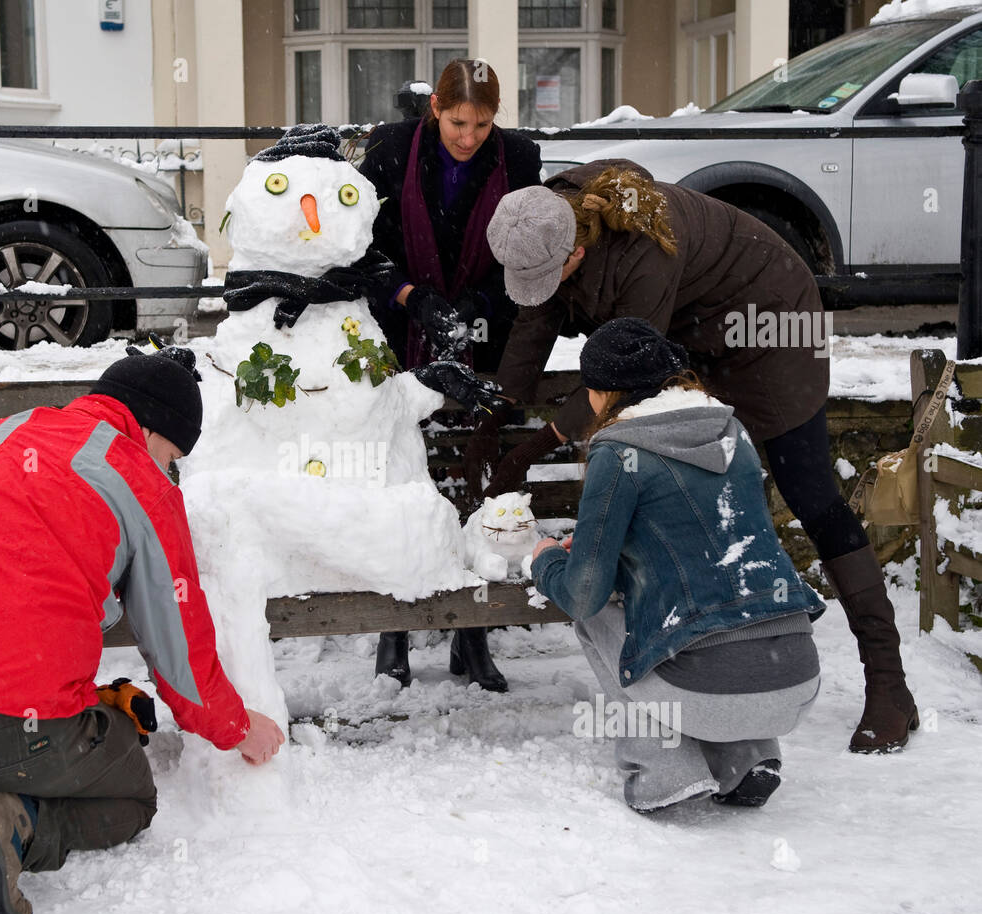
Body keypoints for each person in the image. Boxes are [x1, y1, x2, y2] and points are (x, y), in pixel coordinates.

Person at [479, 161, 918, 753]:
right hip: (692, 330)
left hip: (769, 323)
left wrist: (536, 445)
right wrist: (497, 413)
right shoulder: (546, 218)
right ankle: (714, 657)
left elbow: (623, 376)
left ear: (576, 250)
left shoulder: (641, 255)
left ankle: (889, 686)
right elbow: (537, 318)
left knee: (809, 491)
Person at [0, 346, 286, 914]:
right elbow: (178, 644)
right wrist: (235, 726)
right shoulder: (142, 482)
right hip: (18, 733)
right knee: (132, 798)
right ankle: (12, 824)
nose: (167, 470)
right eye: (170, 456)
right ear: (150, 429)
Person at [530, 318, 826, 813]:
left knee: (593, 615)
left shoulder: (619, 449)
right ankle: (749, 756)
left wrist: (546, 562)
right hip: (796, 678)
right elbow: (713, 539)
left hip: (708, 692)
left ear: (604, 393)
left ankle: (664, 771)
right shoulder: (731, 430)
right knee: (717, 611)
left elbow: (585, 592)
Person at [357, 58, 542, 692]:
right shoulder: (389, 148)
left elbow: (519, 252)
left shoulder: (517, 159)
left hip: (480, 338)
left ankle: (472, 633)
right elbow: (361, 248)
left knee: (475, 472)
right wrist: (414, 297)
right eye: (458, 121)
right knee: (405, 475)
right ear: (435, 107)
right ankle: (395, 628)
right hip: (398, 332)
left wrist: (476, 306)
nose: (468, 136)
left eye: (482, 124)